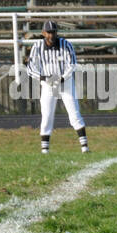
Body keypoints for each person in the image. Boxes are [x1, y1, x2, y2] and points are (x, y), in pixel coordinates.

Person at [27, 21, 89, 154]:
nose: (51, 35)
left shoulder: (65, 44)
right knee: (47, 116)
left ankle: (85, 147)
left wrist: (61, 78)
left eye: (53, 32)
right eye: (49, 32)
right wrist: (43, 78)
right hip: (48, 84)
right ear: (43, 33)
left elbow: (72, 64)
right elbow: (30, 68)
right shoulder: (37, 46)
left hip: (64, 82)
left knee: (74, 114)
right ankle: (45, 149)